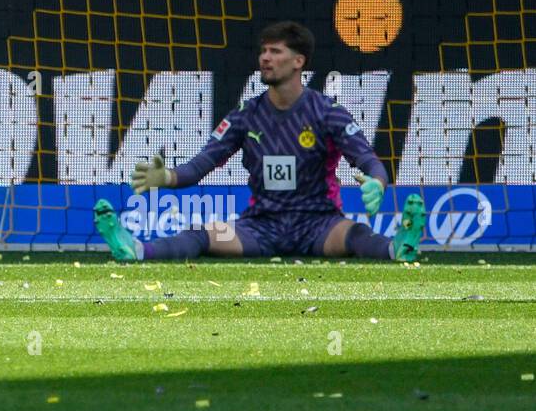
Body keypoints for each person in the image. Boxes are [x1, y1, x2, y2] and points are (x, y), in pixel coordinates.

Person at [93, 21, 427, 263]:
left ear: (298, 61)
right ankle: (138, 250)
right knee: (200, 235)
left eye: (275, 51)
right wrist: (164, 178)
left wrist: (378, 184)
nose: (265, 57)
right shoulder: (245, 114)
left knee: (357, 235)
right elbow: (200, 166)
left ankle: (397, 248)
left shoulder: (328, 112)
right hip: (260, 227)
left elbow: (368, 161)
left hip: (320, 223)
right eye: (263, 51)